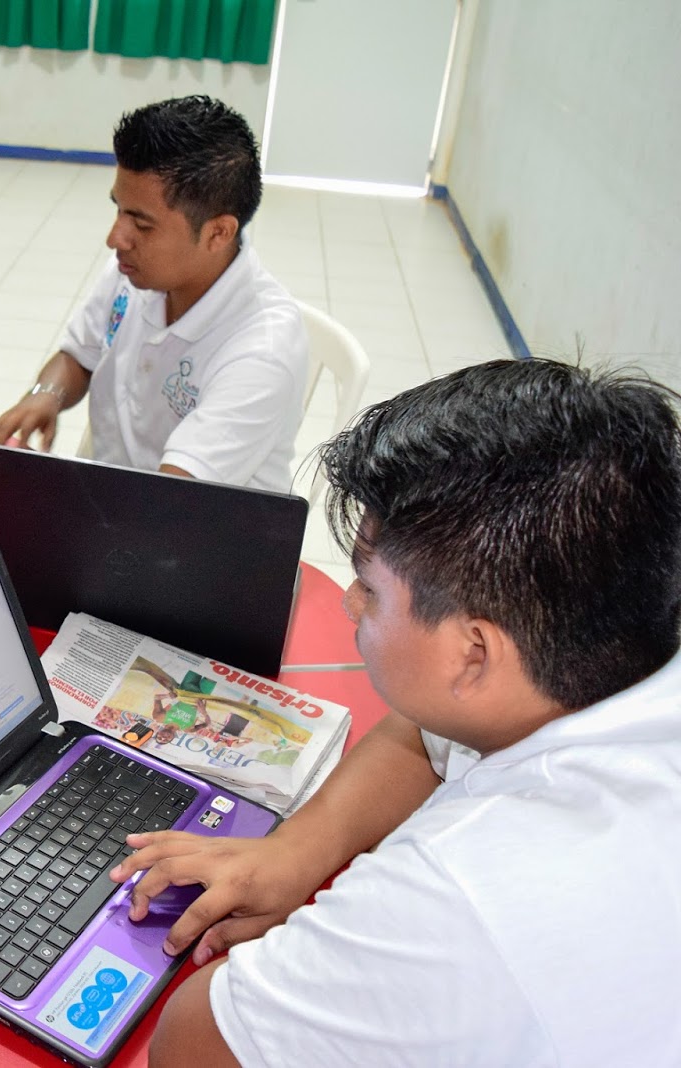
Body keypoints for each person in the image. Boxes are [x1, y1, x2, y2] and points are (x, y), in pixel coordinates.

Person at [112, 359, 681, 1065]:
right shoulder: (597, 661)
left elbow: (193, 1044)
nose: (349, 603)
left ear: (473, 653)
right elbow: (427, 726)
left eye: (370, 589)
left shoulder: (458, 899)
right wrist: (296, 851)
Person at [0, 95, 306, 547]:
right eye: (118, 209)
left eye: (142, 223)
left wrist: (2, 485)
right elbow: (80, 353)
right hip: (110, 514)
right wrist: (46, 395)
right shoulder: (140, 271)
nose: (116, 237)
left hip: (195, 546)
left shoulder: (262, 352)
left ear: (218, 232)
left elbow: (167, 501)